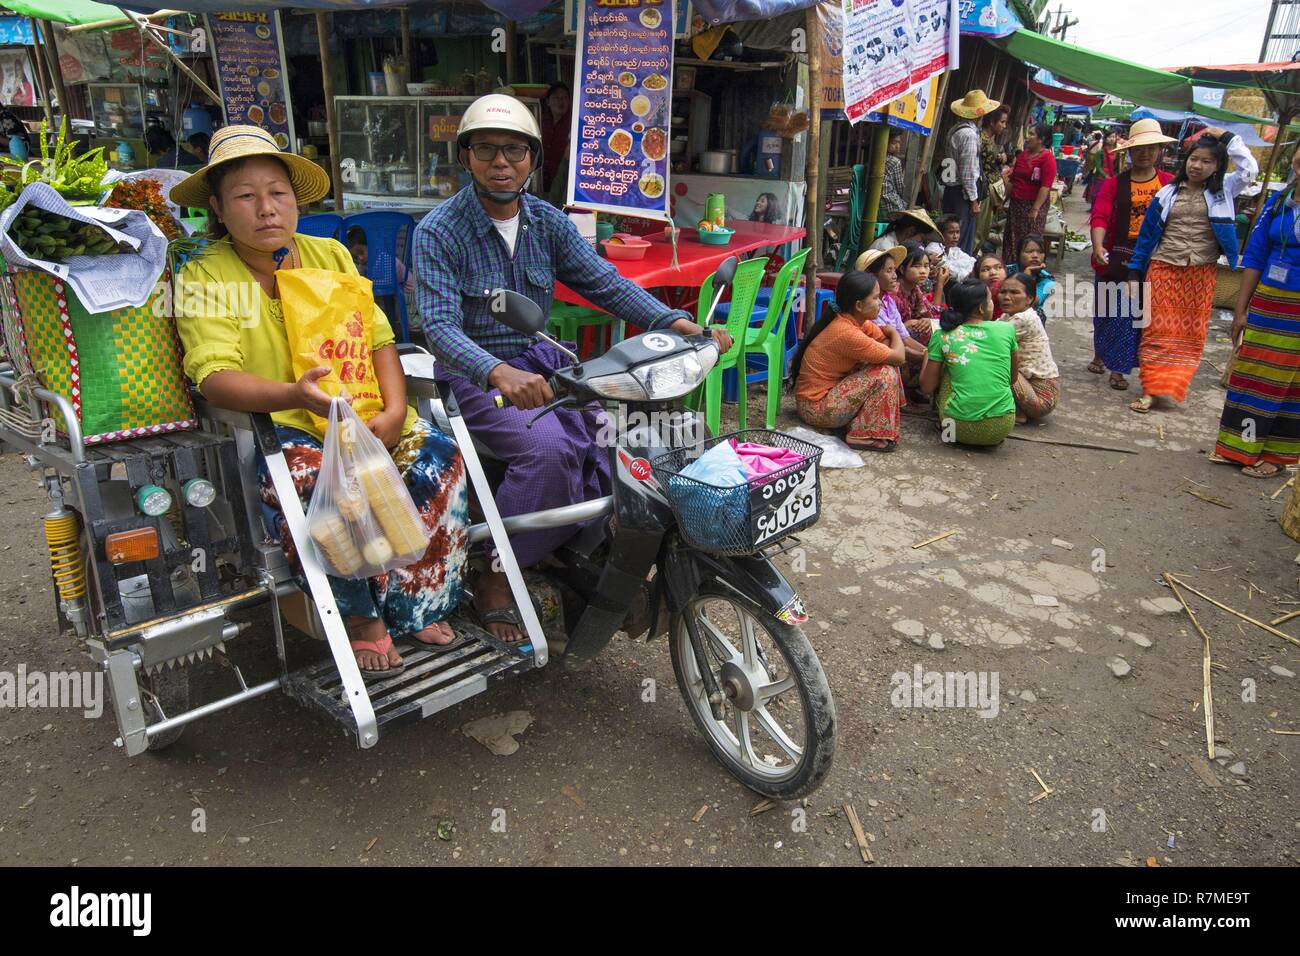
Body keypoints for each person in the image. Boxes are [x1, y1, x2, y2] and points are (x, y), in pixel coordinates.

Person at [413, 94, 731, 642]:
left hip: (544, 363)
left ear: (533, 159)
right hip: (471, 378)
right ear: (465, 157)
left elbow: (604, 283)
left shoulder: (547, 222)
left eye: (514, 149)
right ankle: (493, 573)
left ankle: (571, 557)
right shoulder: (439, 231)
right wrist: (496, 372)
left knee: (613, 441)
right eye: (486, 149)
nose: (501, 161)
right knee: (549, 451)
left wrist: (677, 324)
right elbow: (439, 328)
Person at [169, 125, 470, 678]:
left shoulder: (328, 254)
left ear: (296, 199)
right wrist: (292, 393)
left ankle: (416, 602)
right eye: (245, 195)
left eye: (278, 192)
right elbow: (213, 376)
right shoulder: (205, 274)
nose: (266, 209)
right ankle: (362, 621)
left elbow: (379, 337)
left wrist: (396, 411)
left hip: (359, 413)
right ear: (217, 206)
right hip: (279, 424)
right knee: (326, 492)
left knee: (439, 458)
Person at [1126, 128, 1258, 414]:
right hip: (1164, 268)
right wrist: (1134, 273)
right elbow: (1146, 238)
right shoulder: (1166, 194)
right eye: (1193, 159)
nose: (1197, 166)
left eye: (1207, 161)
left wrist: (1228, 137)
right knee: (1156, 331)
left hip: (1201, 273)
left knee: (1189, 336)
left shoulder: (1225, 192)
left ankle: (1168, 387)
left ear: (1218, 167)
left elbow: (1250, 170)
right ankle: (1150, 391)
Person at [1213, 148, 1300, 476]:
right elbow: (1255, 256)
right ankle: (1240, 446)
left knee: (1288, 381)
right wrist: (1240, 310)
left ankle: (1275, 457)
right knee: (1252, 376)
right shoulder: (1280, 202)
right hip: (1267, 303)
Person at [1088, 118, 1176, 390]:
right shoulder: (1115, 184)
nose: (1145, 153)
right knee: (1104, 311)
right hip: (1113, 255)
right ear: (1129, 151)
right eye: (1139, 148)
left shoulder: (1168, 183)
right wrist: (1097, 245)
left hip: (1148, 259)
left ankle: (1118, 368)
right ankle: (1101, 353)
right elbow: (1100, 215)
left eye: (1151, 148)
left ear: (1159, 150)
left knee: (1127, 314)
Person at [793, 270, 906, 452]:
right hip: (814, 407)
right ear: (859, 305)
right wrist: (893, 331)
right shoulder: (846, 332)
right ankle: (859, 435)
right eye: (876, 298)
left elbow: (884, 343)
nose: (880, 303)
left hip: (830, 394)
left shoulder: (856, 321)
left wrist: (889, 341)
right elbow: (899, 356)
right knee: (885, 372)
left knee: (884, 364)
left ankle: (867, 425)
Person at [920, 276, 1020, 447]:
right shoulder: (1006, 329)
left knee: (950, 365)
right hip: (1002, 426)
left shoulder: (943, 335)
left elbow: (926, 387)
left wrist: (927, 353)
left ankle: (943, 424)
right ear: (982, 308)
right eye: (990, 300)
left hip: (956, 428)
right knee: (963, 363)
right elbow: (1012, 379)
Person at [856, 246, 928, 396]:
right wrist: (927, 358)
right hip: (871, 357)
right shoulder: (869, 306)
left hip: (894, 347)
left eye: (894, 270)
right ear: (872, 276)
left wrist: (928, 353)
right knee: (889, 343)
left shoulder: (888, 301)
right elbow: (889, 344)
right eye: (889, 271)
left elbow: (905, 337)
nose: (895, 276)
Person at [942, 90, 1000, 254]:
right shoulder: (968, 134)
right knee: (959, 240)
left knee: (951, 238)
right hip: (962, 194)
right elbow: (968, 172)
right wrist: (974, 201)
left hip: (953, 190)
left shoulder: (956, 129)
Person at [998, 272, 1060, 422]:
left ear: (1030, 299)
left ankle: (1017, 412)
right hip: (1029, 387)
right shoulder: (1009, 316)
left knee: (997, 363)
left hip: (1041, 397)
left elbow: (989, 337)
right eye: (1003, 292)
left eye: (1014, 292)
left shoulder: (1024, 318)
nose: (1006, 297)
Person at [1003, 123, 1057, 269]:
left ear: (1042, 139)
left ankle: (1029, 272)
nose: (1028, 137)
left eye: (1032, 134)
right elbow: (1013, 180)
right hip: (1016, 204)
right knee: (1012, 238)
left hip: (1033, 206)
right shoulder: (1022, 155)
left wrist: (1035, 209)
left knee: (1030, 240)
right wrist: (1003, 201)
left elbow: (1046, 186)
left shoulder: (1047, 158)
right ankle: (1011, 269)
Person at [975, 107, 1009, 250]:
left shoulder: (990, 140)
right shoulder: (980, 140)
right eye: (1002, 122)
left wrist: (1001, 159)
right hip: (983, 192)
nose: (1004, 126)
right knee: (979, 231)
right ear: (991, 122)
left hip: (990, 193)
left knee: (983, 230)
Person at [1013, 234, 1057, 324]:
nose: (1035, 255)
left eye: (1040, 252)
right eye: (1029, 251)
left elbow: (1032, 301)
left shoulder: (1047, 279)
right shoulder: (1007, 270)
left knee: (1039, 313)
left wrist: (1027, 278)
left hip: (1029, 322)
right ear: (1019, 254)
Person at [539, 82, 571, 203]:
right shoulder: (541, 120)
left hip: (561, 183)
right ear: (548, 102)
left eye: (564, 98)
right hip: (540, 179)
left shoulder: (573, 124)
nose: (560, 101)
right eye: (556, 97)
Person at [870, 207, 938, 252]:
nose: (921, 243)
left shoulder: (899, 245)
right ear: (911, 231)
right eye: (921, 239)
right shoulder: (885, 247)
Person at [937, 214, 976, 280]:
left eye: (957, 232)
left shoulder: (954, 250)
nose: (955, 237)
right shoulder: (934, 249)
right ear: (941, 233)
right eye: (951, 232)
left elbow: (973, 263)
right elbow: (950, 272)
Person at [880, 130, 907, 220]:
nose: (897, 146)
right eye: (893, 143)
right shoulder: (894, 162)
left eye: (898, 142)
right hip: (889, 204)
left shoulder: (874, 157)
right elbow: (899, 187)